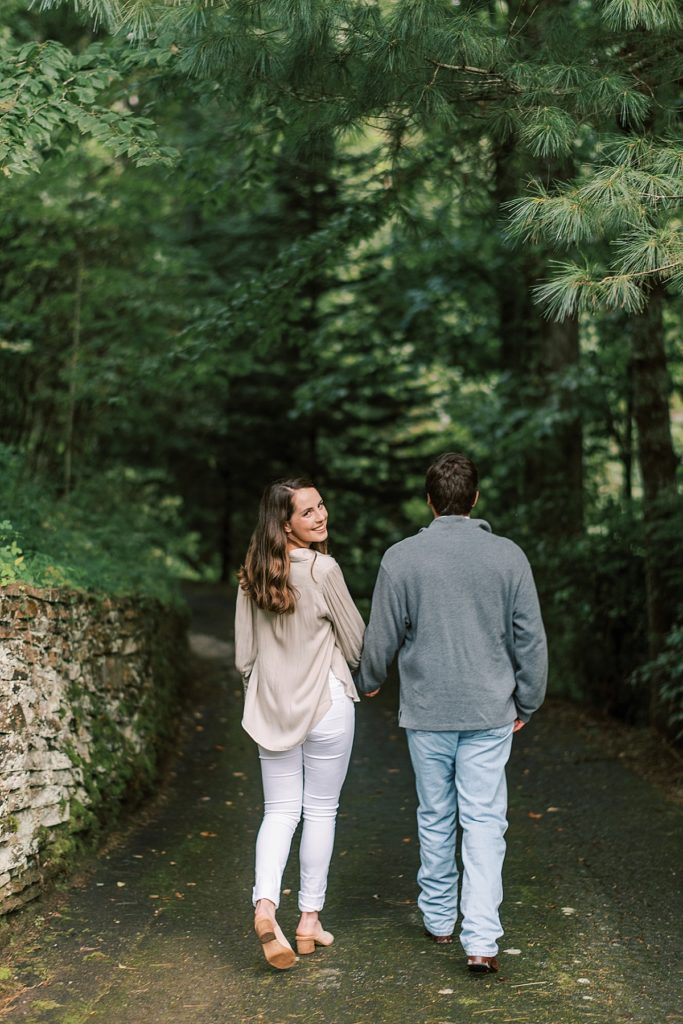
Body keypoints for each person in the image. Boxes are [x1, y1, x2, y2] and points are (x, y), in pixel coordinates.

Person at [356, 452, 547, 974]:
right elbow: (530, 637)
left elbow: (382, 634)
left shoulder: (402, 557)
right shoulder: (509, 556)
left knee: (435, 813)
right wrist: (528, 699)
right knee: (485, 820)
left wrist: (369, 680)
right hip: (489, 709)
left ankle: (440, 919)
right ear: (475, 499)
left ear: (430, 501)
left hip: (427, 711)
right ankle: (481, 939)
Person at [235, 477, 364, 970]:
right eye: (307, 512)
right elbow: (354, 643)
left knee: (279, 811)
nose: (320, 516)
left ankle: (265, 906)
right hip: (327, 703)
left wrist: (267, 686)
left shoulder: (251, 573)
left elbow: (244, 655)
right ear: (284, 523)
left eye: (320, 505)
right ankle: (308, 921)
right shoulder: (323, 569)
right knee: (322, 811)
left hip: (273, 707)